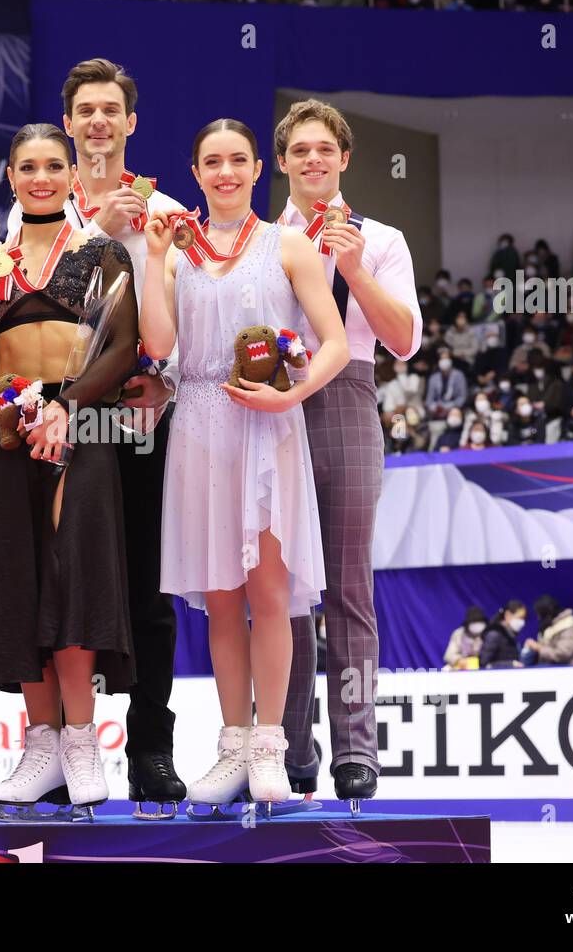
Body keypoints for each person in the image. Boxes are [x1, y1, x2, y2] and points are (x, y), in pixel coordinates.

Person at [142, 115, 349, 811]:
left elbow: (335, 344)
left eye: (238, 160)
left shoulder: (287, 244)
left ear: (259, 169)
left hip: (268, 429)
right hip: (199, 423)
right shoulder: (177, 252)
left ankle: (270, 750)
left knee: (268, 595)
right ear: (195, 174)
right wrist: (149, 258)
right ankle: (231, 746)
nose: (225, 172)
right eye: (212, 162)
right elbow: (158, 342)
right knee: (222, 600)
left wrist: (290, 390)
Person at [2, 58, 189, 812]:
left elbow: (190, 318)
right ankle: (60, 745)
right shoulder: (34, 206)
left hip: (132, 417)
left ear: (131, 122)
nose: (99, 122)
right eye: (86, 110)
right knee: (51, 582)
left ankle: (150, 744)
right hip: (52, 416)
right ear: (70, 120)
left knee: (145, 584)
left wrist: (168, 380)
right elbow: (24, 306)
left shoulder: (164, 207)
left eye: (112, 109)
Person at [0, 123, 138, 818]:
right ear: (8, 175)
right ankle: (39, 745)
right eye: (27, 166)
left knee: (74, 574)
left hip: (82, 431)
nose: (40, 177)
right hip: (7, 443)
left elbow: (124, 348)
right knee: (20, 578)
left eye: (52, 166)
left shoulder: (102, 252)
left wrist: (67, 402)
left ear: (70, 175)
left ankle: (83, 742)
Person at [272, 100, 421, 808]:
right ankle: (293, 745)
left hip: (350, 404)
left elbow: (404, 340)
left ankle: (357, 749)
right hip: (277, 405)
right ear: (282, 163)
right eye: (299, 151)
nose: (312, 161)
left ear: (345, 158)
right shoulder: (260, 241)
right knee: (284, 591)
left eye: (324, 149)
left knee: (349, 589)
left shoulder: (383, 239)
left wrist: (355, 269)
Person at [521, 595, 573, 666]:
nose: (538, 617)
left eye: (540, 614)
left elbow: (562, 654)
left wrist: (538, 648)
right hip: (552, 669)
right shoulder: (548, 627)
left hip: (571, 671)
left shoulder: (568, 626)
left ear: (546, 613)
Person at [480, 601, 527, 669]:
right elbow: (484, 663)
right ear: (507, 615)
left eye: (524, 618)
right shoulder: (494, 634)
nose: (522, 622)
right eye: (520, 618)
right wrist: (510, 664)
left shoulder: (510, 634)